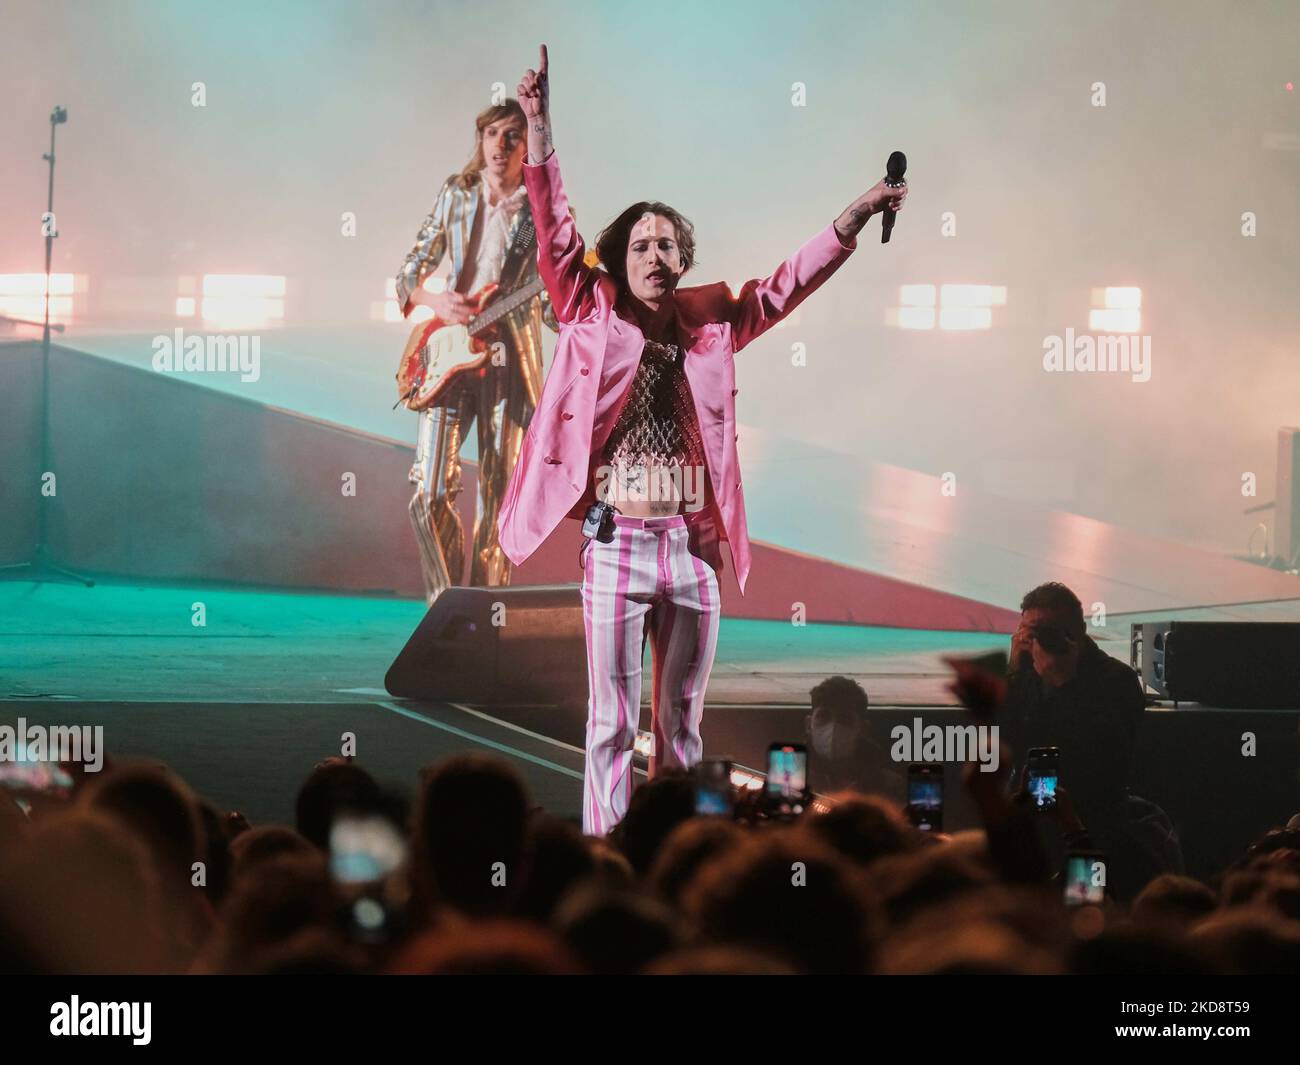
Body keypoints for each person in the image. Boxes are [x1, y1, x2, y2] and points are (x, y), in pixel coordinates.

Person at [501, 45, 909, 835]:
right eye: (641, 244)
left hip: (690, 548)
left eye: (668, 244)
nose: (655, 254)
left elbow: (785, 285)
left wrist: (852, 217)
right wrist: (541, 128)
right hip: (616, 542)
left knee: (682, 730)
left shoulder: (713, 318)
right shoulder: (590, 309)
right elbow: (554, 229)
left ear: (683, 258)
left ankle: (676, 855)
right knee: (612, 722)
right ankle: (609, 857)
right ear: (619, 260)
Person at [393, 99, 559, 603]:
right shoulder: (456, 193)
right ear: (480, 140)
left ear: (527, 146)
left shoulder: (539, 209)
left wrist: (582, 310)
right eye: (492, 134)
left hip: (509, 356)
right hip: (448, 351)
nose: (501, 146)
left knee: (498, 496)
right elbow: (408, 273)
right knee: (429, 492)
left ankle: (487, 616)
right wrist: (434, 298)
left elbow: (554, 295)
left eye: (513, 136)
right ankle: (445, 607)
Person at [1003, 582, 1146, 830]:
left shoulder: (1116, 679)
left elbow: (1110, 759)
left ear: (1079, 631)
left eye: (1050, 633)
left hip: (1093, 817)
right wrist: (1013, 672)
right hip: (1028, 813)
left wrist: (1064, 683)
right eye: (1030, 632)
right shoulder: (1026, 674)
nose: (1040, 643)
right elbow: (1002, 744)